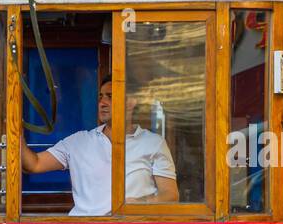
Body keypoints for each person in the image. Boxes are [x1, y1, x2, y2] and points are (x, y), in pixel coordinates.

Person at [19, 76, 178, 215]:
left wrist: (141, 203)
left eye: (110, 96)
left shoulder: (153, 143)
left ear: (131, 102)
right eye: (101, 96)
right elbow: (34, 164)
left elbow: (170, 196)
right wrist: (14, 131)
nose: (102, 102)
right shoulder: (78, 141)